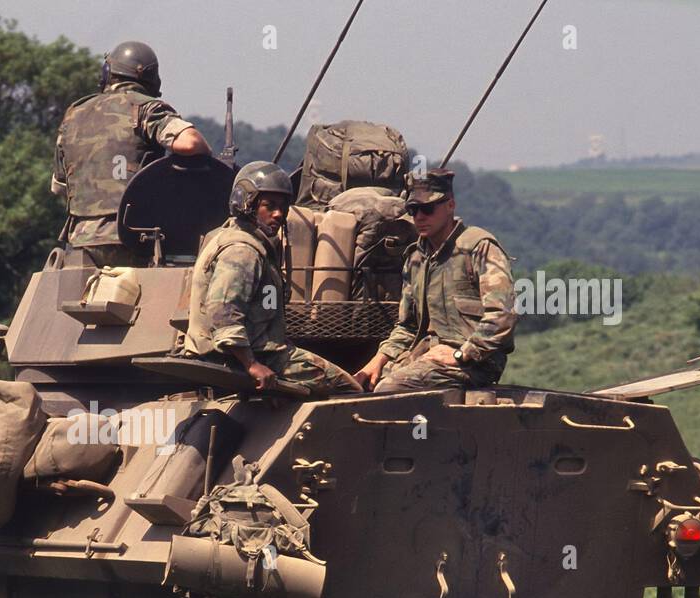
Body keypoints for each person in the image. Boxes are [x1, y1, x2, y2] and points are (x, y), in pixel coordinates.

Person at [182, 162, 358, 398]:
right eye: (269, 206)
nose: (278, 213)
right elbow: (224, 311)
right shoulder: (242, 250)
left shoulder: (224, 235)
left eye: (283, 206)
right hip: (249, 356)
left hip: (241, 351)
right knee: (347, 388)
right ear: (246, 204)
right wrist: (252, 365)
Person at [354, 168, 517, 393]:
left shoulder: (478, 247)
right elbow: (407, 326)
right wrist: (379, 359)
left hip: (476, 363)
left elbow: (503, 315)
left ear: (450, 205)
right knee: (356, 386)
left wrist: (463, 353)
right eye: (413, 210)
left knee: (389, 389)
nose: (419, 217)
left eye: (427, 209)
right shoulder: (416, 258)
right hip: (425, 355)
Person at [51, 41, 211, 267]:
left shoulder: (73, 115)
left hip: (80, 243)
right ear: (152, 81)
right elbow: (191, 142)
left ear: (108, 74)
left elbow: (59, 186)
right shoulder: (146, 108)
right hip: (132, 239)